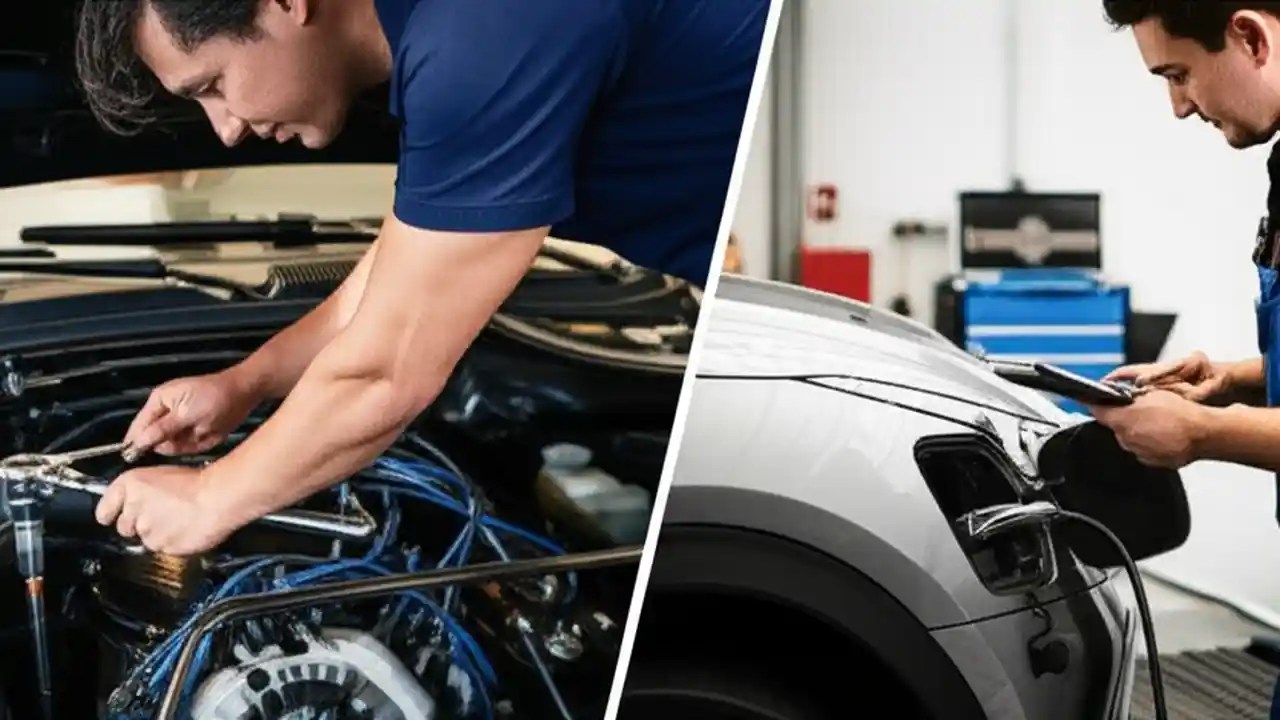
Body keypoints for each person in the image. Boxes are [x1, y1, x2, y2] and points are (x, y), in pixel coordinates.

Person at [75, 0, 770, 556]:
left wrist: (212, 498)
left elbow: (387, 371)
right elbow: (393, 284)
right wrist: (244, 385)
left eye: (213, 85)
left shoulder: (478, 38)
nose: (224, 128)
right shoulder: (442, 33)